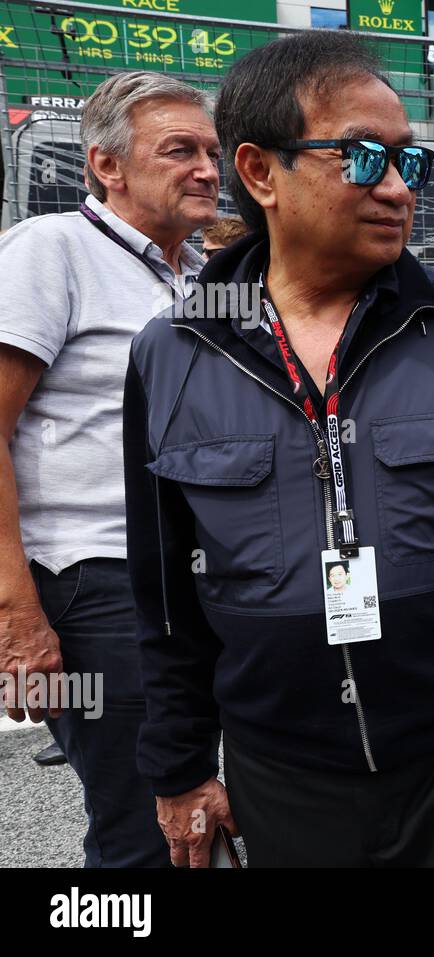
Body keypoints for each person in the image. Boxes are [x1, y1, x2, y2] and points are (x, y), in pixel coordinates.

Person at [122, 31, 434, 868]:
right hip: (281, 775)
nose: (399, 189)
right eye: (364, 158)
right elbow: (164, 599)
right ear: (261, 172)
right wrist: (180, 768)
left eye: (407, 160)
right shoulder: (175, 354)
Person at [0, 71, 217, 867]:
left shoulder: (200, 280)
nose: (206, 168)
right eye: (180, 150)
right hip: (92, 586)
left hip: (185, 583)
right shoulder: (48, 250)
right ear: (108, 166)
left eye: (212, 152)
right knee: (140, 828)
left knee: (196, 807)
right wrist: (16, 618)